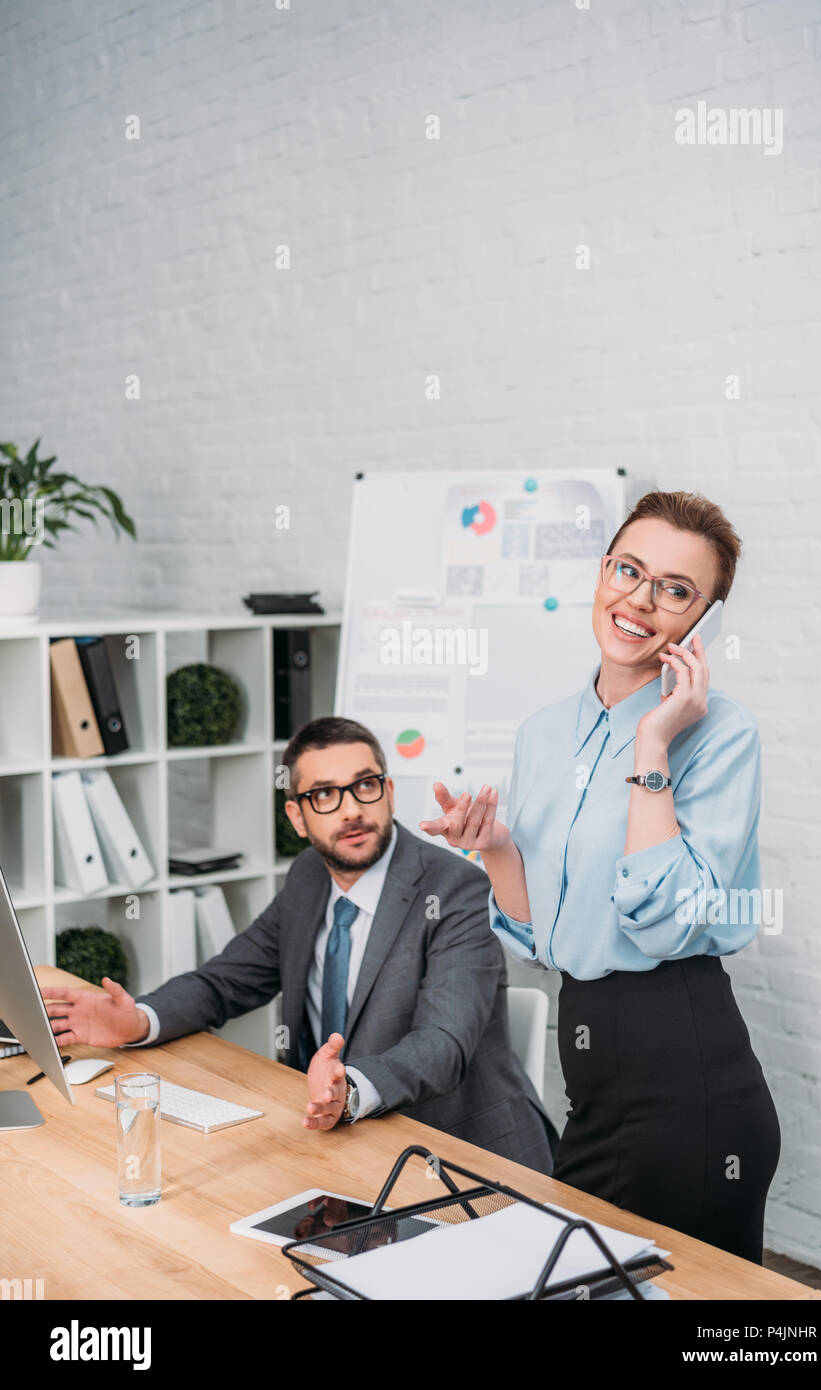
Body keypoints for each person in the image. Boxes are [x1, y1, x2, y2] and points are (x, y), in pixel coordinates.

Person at [420, 490, 781, 1263]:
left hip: (687, 1073)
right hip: (590, 1071)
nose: (640, 601)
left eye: (675, 590)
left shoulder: (720, 735)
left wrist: (653, 746)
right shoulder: (543, 732)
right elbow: (542, 940)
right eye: (628, 570)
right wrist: (494, 849)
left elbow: (666, 920)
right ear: (601, 572)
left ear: (703, 619)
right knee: (580, 1280)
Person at [42, 716, 556, 1173]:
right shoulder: (310, 875)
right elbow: (228, 980)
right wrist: (141, 1020)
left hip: (460, 1161)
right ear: (297, 816)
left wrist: (350, 1089)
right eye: (325, 795)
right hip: (341, 1147)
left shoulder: (456, 890)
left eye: (365, 787)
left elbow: (443, 1044)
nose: (351, 810)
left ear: (390, 791)